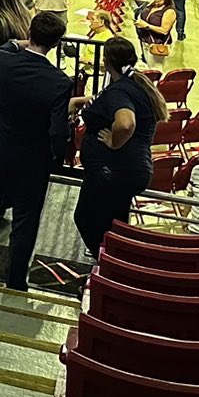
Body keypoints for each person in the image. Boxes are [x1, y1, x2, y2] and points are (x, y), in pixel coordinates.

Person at [0, 9, 74, 292]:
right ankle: (16, 280)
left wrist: (14, 44)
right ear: (55, 45)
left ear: (28, 34)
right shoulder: (60, 82)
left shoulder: (2, 61)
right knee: (25, 220)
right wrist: (55, 156)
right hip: (32, 159)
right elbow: (58, 131)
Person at [71, 35, 168, 254]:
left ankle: (107, 265)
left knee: (86, 219)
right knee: (114, 226)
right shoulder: (134, 82)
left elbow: (126, 123)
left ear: (107, 61)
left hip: (113, 171)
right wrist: (79, 102)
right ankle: (113, 265)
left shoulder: (120, 89)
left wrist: (114, 143)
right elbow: (109, 104)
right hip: (126, 170)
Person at [134, 0, 177, 65]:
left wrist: (146, 25)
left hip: (158, 43)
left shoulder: (169, 11)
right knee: (148, 66)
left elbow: (164, 30)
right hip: (146, 41)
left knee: (156, 69)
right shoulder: (152, 5)